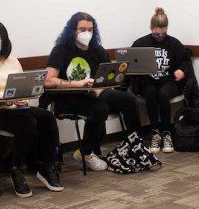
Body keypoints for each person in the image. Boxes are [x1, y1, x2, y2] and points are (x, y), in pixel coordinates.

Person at [0, 20, 62, 197]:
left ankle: (46, 166)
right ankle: (16, 169)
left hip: (16, 110)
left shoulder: (13, 61)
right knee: (27, 122)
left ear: (3, 39)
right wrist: (0, 96)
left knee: (47, 117)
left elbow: (22, 89)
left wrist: (22, 99)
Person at [44, 12, 141, 171]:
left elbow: (110, 78)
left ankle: (134, 144)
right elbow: (48, 81)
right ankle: (86, 152)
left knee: (129, 99)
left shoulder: (98, 51)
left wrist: (99, 88)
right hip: (69, 98)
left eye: (90, 29)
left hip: (96, 95)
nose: (86, 33)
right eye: (82, 29)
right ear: (72, 31)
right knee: (101, 107)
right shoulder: (61, 50)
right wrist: (77, 84)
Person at [131, 7, 191, 153]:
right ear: (151, 28)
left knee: (163, 94)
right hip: (148, 81)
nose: (160, 36)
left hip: (168, 81)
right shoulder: (140, 43)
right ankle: (155, 132)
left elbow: (186, 62)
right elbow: (132, 64)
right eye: (156, 33)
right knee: (151, 93)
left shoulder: (174, 43)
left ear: (167, 28)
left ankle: (166, 132)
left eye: (163, 33)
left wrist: (181, 71)